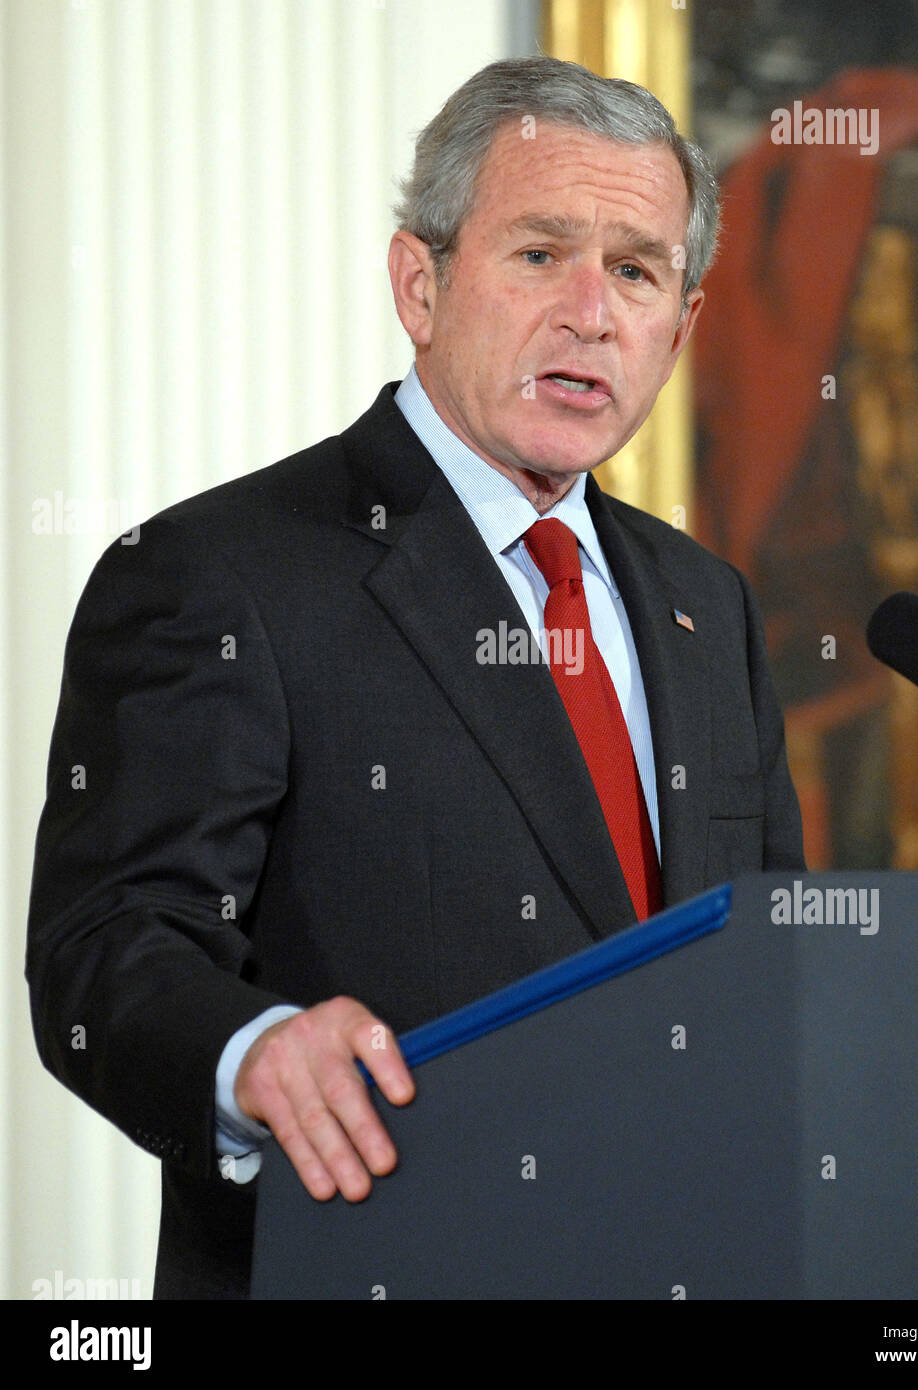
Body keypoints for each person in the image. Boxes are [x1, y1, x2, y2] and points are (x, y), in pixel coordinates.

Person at [25, 56, 804, 1300]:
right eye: (541, 253)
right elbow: (107, 944)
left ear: (681, 325)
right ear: (420, 284)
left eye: (636, 270)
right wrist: (254, 1048)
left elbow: (770, 965)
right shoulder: (217, 574)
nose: (591, 313)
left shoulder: (704, 603)